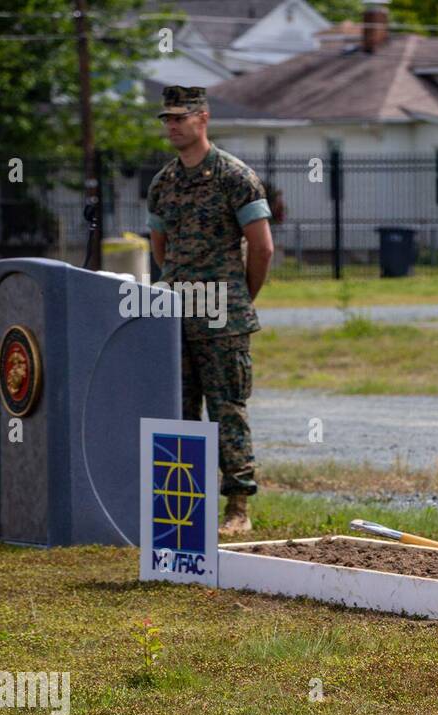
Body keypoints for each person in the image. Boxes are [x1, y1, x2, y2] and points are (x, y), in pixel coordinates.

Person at [147, 86, 273, 535]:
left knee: (227, 411)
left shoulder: (235, 176)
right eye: (167, 118)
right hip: (175, 317)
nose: (173, 125)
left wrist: (239, 298)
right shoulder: (163, 183)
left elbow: (261, 247)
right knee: (177, 412)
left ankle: (238, 507)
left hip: (223, 316)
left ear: (203, 118)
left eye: (180, 117)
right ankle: (182, 507)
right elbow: (160, 246)